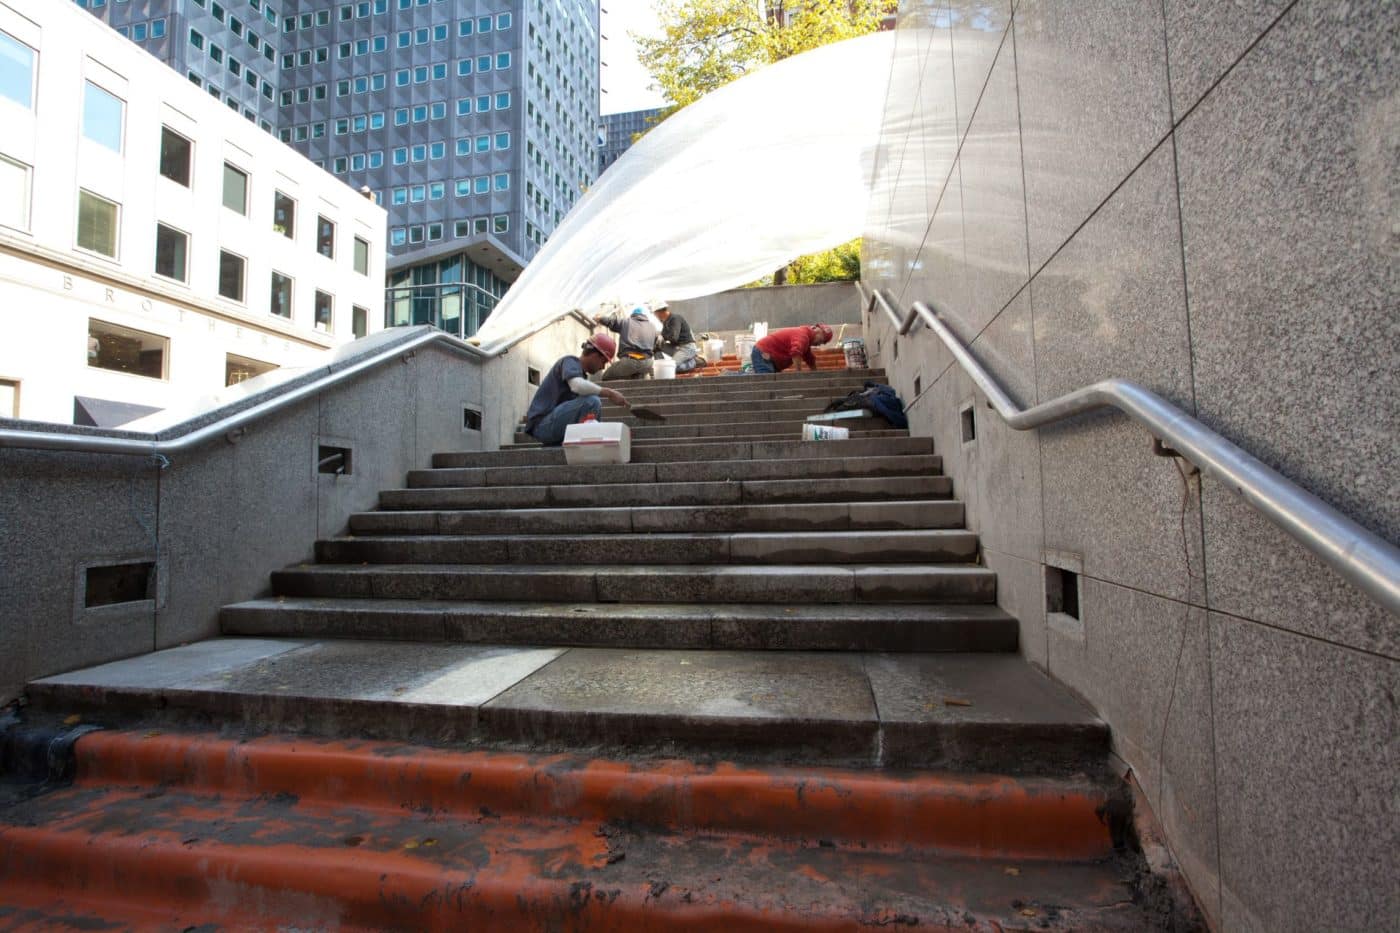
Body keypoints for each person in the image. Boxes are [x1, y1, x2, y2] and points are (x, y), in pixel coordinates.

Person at [523, 333, 630, 446]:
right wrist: (609, 393)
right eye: (603, 362)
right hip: (542, 426)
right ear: (595, 355)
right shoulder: (570, 361)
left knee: (591, 404)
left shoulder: (580, 374)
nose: (602, 367)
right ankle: (590, 443)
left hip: (551, 425)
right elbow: (577, 385)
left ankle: (589, 442)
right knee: (592, 401)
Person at [593, 305, 661, 380]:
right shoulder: (653, 327)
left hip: (628, 363)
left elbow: (611, 321)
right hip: (647, 364)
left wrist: (599, 318)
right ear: (645, 316)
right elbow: (658, 344)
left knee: (606, 377)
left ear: (633, 315)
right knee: (641, 380)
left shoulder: (626, 322)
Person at [752, 323, 834, 374]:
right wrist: (798, 374)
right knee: (767, 383)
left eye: (823, 343)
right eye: (822, 341)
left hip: (770, 358)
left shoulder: (806, 341)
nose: (819, 344)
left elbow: (810, 359)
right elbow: (796, 352)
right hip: (763, 352)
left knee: (772, 385)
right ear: (817, 331)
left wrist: (815, 373)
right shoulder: (802, 335)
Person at [652, 300, 702, 374]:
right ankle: (661, 365)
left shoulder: (675, 318)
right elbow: (663, 336)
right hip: (678, 348)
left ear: (659, 312)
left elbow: (673, 337)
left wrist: (662, 336)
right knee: (657, 347)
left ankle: (693, 362)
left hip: (687, 348)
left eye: (655, 314)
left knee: (671, 368)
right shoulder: (666, 321)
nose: (655, 316)